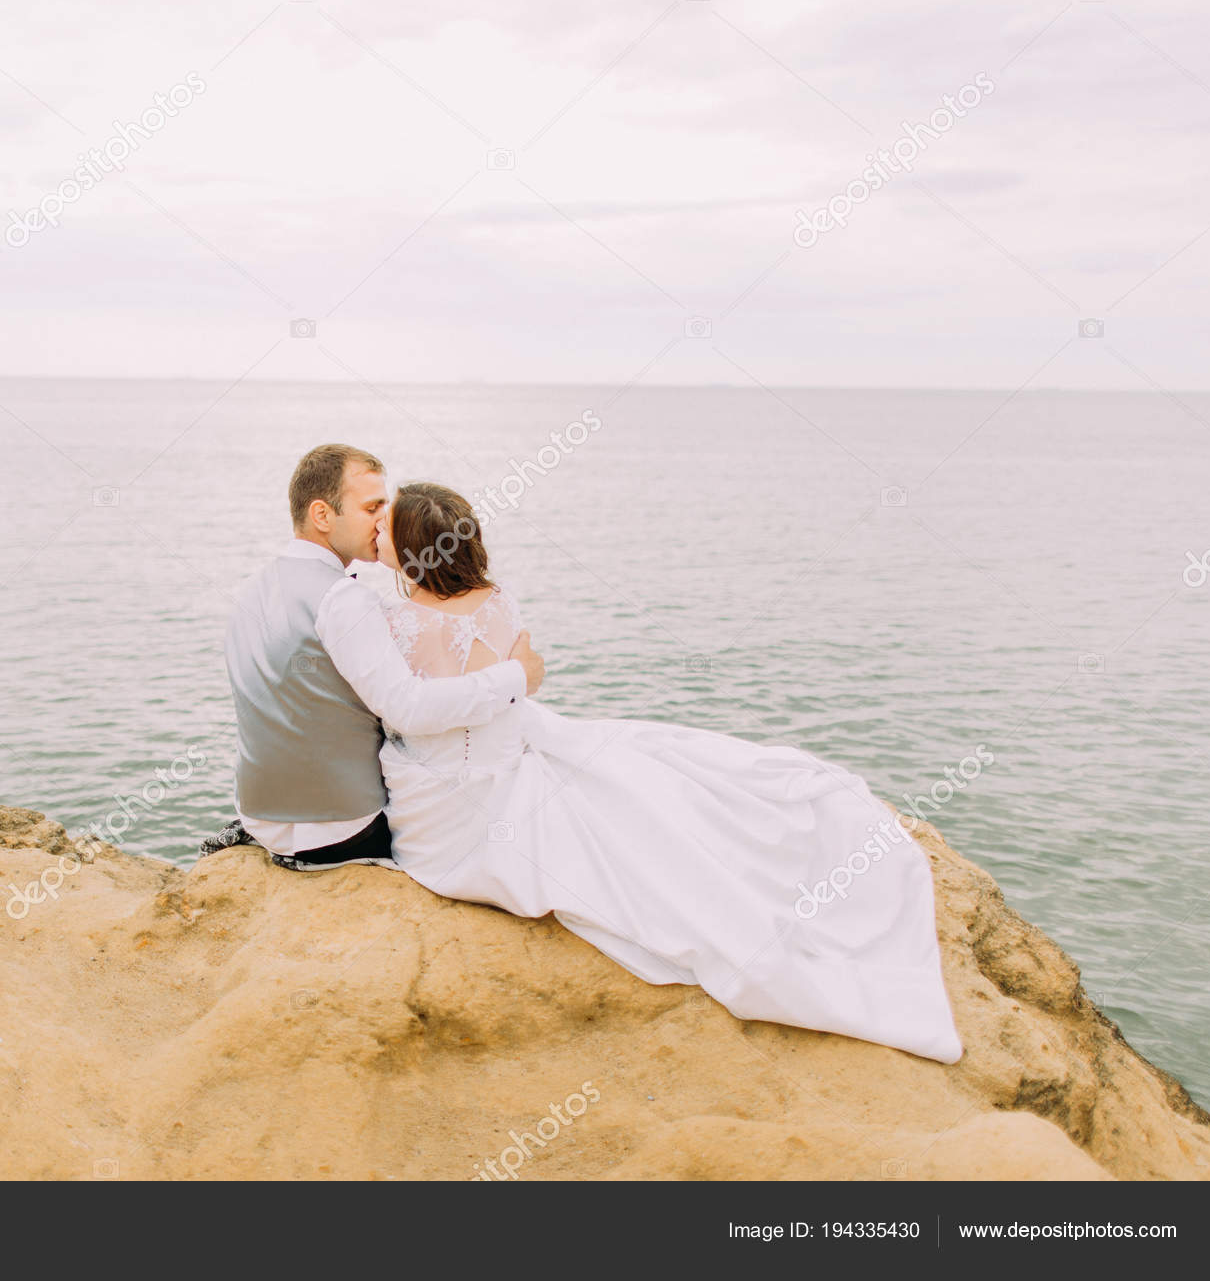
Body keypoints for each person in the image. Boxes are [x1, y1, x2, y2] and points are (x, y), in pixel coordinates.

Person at [368, 480, 964, 1064]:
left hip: (455, 797)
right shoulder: (498, 602)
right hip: (508, 754)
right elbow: (496, 693)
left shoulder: (398, 625)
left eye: (385, 523)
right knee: (645, 804)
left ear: (416, 546)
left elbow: (419, 709)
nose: (375, 527)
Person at [217, 445, 544, 871]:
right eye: (372, 507)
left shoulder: (250, 590)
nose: (382, 520)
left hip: (260, 815)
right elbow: (408, 708)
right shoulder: (344, 600)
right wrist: (517, 676)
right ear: (322, 516)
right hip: (337, 828)